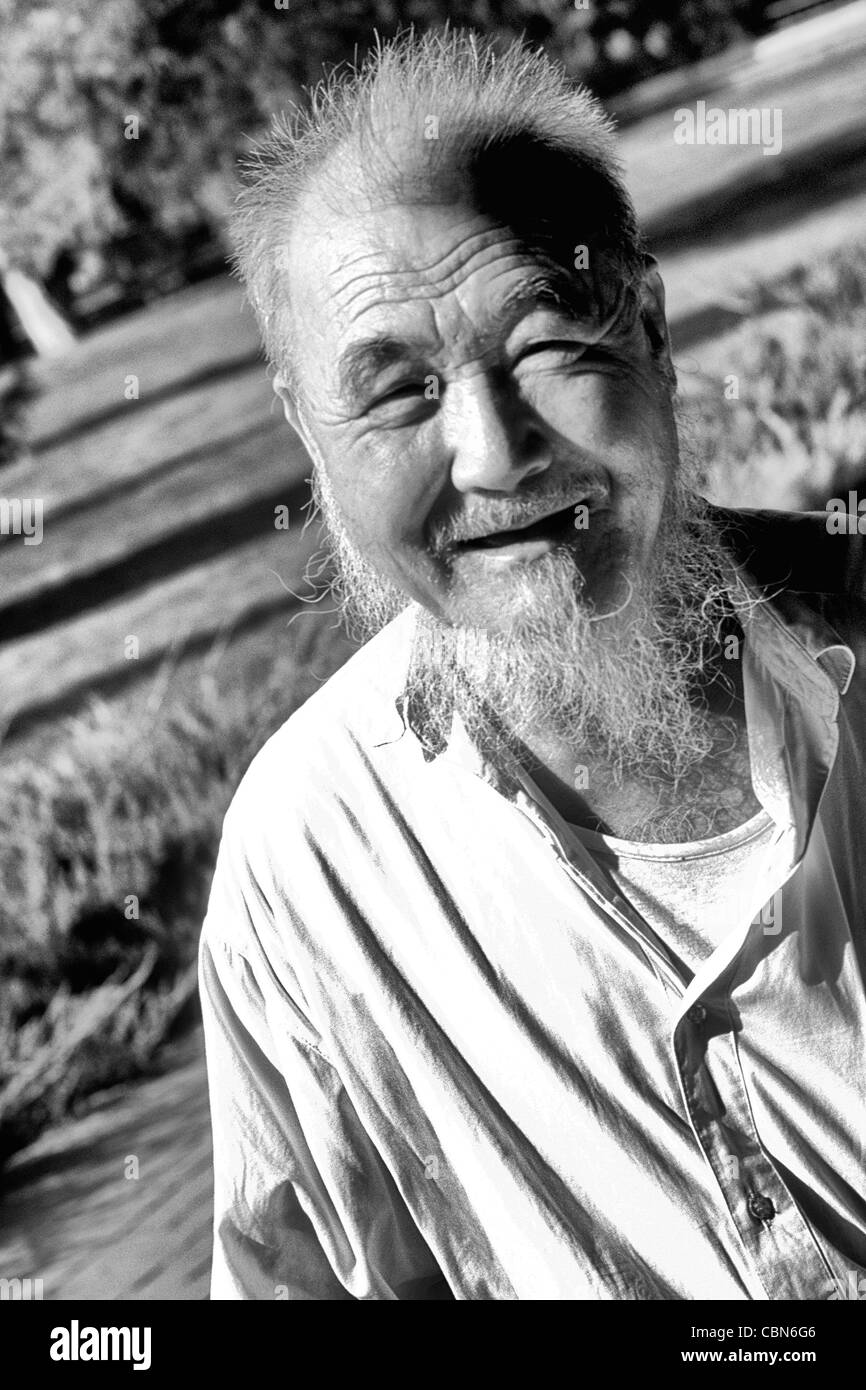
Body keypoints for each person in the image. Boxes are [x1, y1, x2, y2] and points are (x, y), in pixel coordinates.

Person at [199, 30, 866, 1300]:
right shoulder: (307, 868)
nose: (493, 454)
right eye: (394, 393)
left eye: (547, 344)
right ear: (305, 431)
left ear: (651, 329)